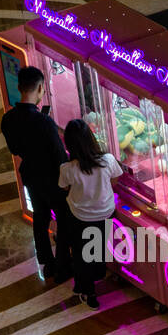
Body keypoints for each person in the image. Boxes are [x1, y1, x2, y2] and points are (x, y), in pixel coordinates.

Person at [0, 66, 70, 282]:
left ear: (19, 87)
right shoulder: (44, 122)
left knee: (40, 219)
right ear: (40, 88)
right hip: (53, 180)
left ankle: (48, 264)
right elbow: (60, 157)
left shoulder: (8, 120)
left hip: (30, 176)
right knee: (64, 219)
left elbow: (14, 150)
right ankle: (64, 264)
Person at [56, 119, 122, 309]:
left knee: (81, 254)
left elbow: (64, 187)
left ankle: (87, 291)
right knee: (99, 248)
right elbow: (116, 180)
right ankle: (97, 274)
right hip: (105, 214)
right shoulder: (108, 160)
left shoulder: (67, 169)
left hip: (80, 217)